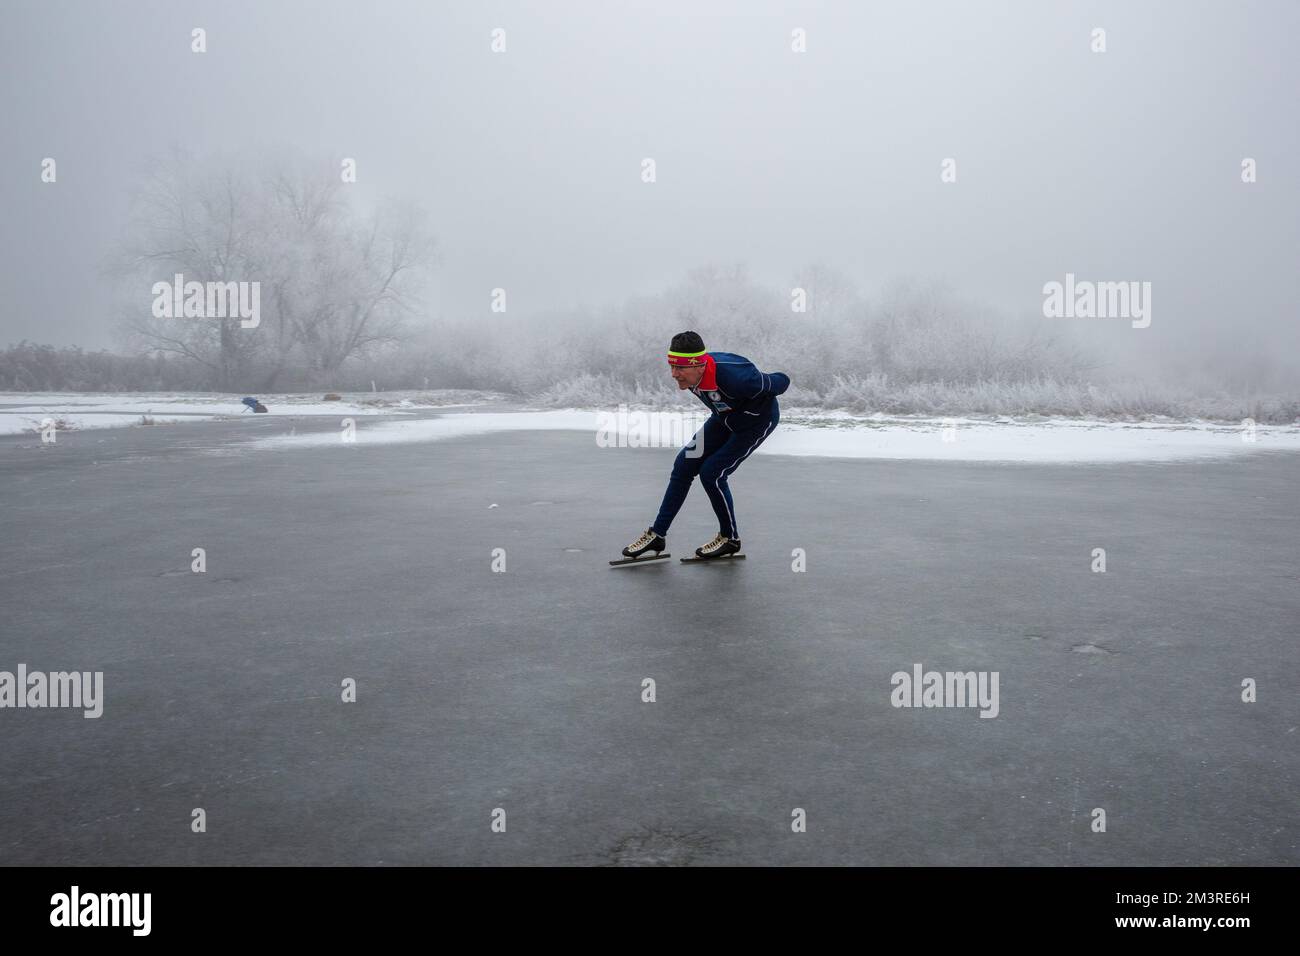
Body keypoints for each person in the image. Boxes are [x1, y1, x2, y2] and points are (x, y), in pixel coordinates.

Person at [622, 331, 790, 560]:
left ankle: (730, 539)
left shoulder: (738, 377)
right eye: (671, 366)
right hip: (724, 419)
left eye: (679, 368)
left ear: (699, 365)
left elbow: (782, 381)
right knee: (683, 466)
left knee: (712, 473)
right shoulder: (691, 375)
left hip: (756, 423)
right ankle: (657, 535)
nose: (674, 374)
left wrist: (754, 401)